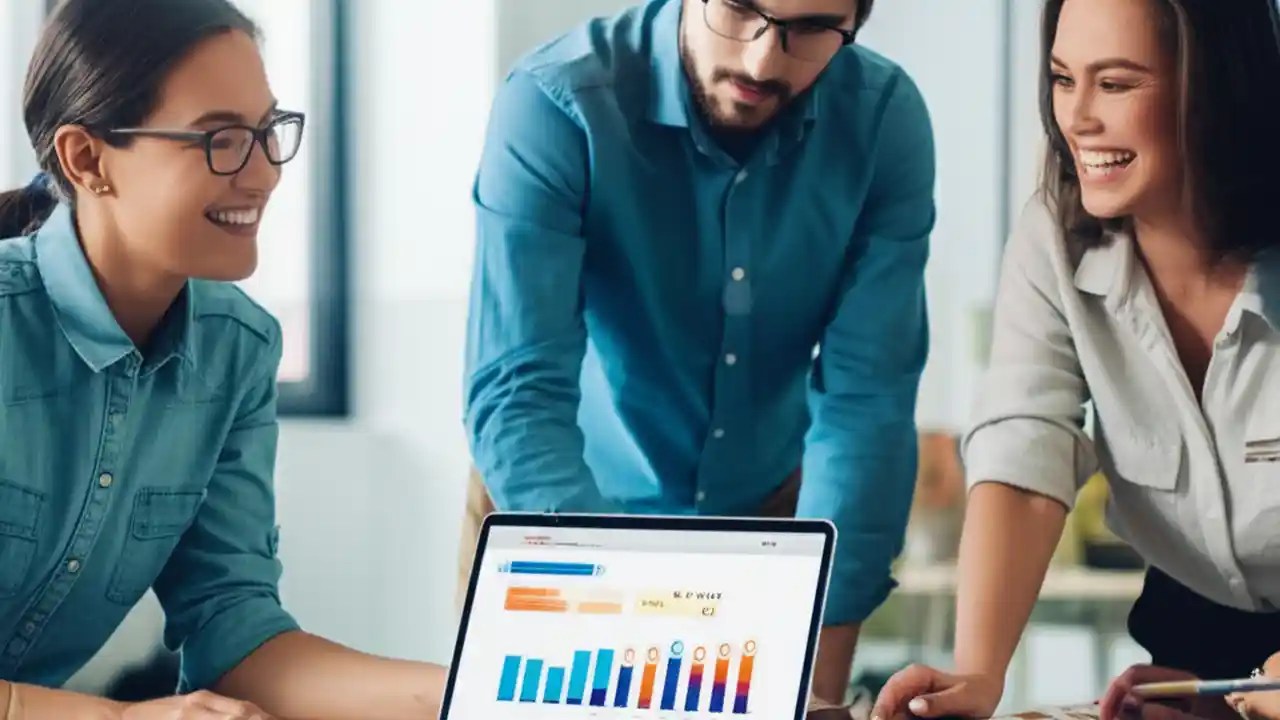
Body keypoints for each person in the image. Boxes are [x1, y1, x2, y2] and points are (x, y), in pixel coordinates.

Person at [463, 0, 935, 708]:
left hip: (779, 519)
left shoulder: (882, 119)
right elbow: (518, 391)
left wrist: (823, 681)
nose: (761, 61)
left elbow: (867, 400)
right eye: (742, 9)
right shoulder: (555, 101)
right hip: (561, 507)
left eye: (809, 30)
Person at [0, 1, 446, 718]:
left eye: (269, 133)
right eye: (221, 140)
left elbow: (236, 637)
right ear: (87, 159)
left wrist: (468, 694)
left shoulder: (238, 349)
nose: (264, 174)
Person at [869, 0, 1280, 719]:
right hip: (1201, 649)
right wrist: (978, 674)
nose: (1077, 117)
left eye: (1116, 84)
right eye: (1063, 78)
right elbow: (1026, 450)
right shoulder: (1054, 237)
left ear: (1216, 85)